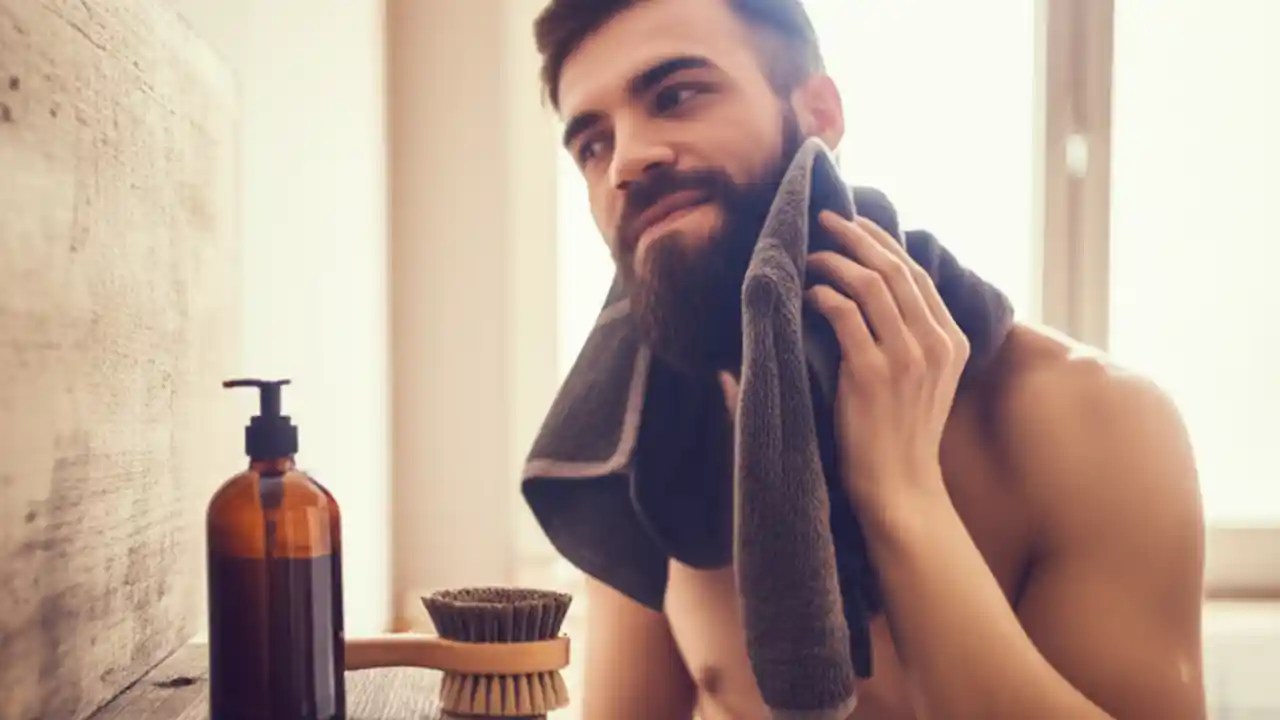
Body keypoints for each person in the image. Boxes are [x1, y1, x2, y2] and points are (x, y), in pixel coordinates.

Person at [532, 1, 1207, 718]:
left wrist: (900, 493)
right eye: (593, 145)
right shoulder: (651, 448)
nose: (627, 161)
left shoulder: (1098, 423)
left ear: (818, 112)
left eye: (676, 96)